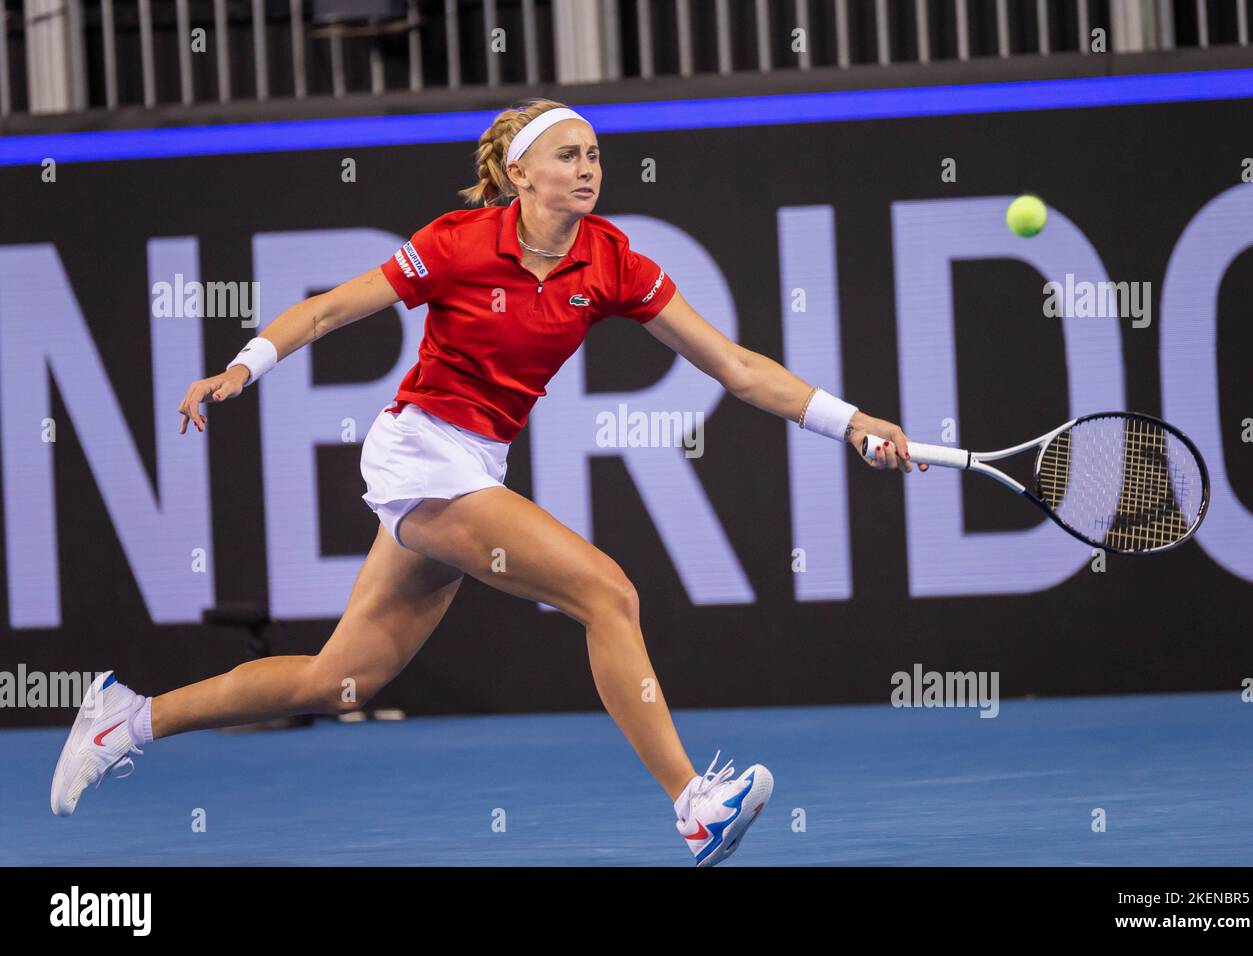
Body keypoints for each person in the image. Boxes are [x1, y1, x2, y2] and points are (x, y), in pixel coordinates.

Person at [49, 99, 925, 866]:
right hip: (419, 454)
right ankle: (694, 805)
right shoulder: (457, 244)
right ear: (520, 172)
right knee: (607, 594)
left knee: (338, 681)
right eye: (569, 155)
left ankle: (123, 719)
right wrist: (240, 369)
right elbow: (326, 308)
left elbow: (734, 365)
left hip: (477, 464)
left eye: (594, 155)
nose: (589, 169)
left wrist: (851, 423)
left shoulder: (615, 260)